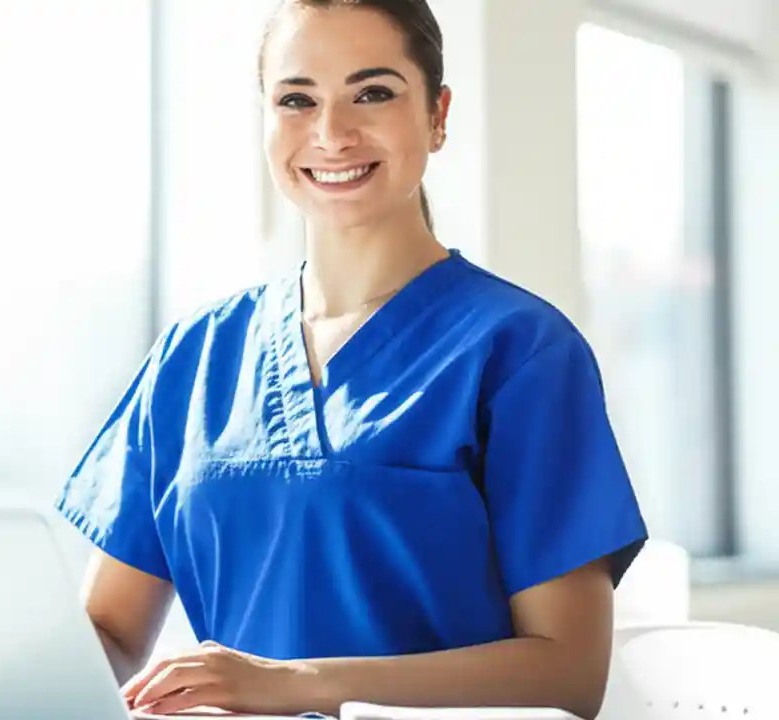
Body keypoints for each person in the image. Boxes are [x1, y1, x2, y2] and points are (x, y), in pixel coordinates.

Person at [53, 1, 647, 717]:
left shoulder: (520, 351)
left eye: (372, 93)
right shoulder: (195, 356)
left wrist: (299, 686)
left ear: (437, 113)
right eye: (297, 100)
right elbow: (111, 631)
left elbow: (568, 674)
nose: (331, 134)